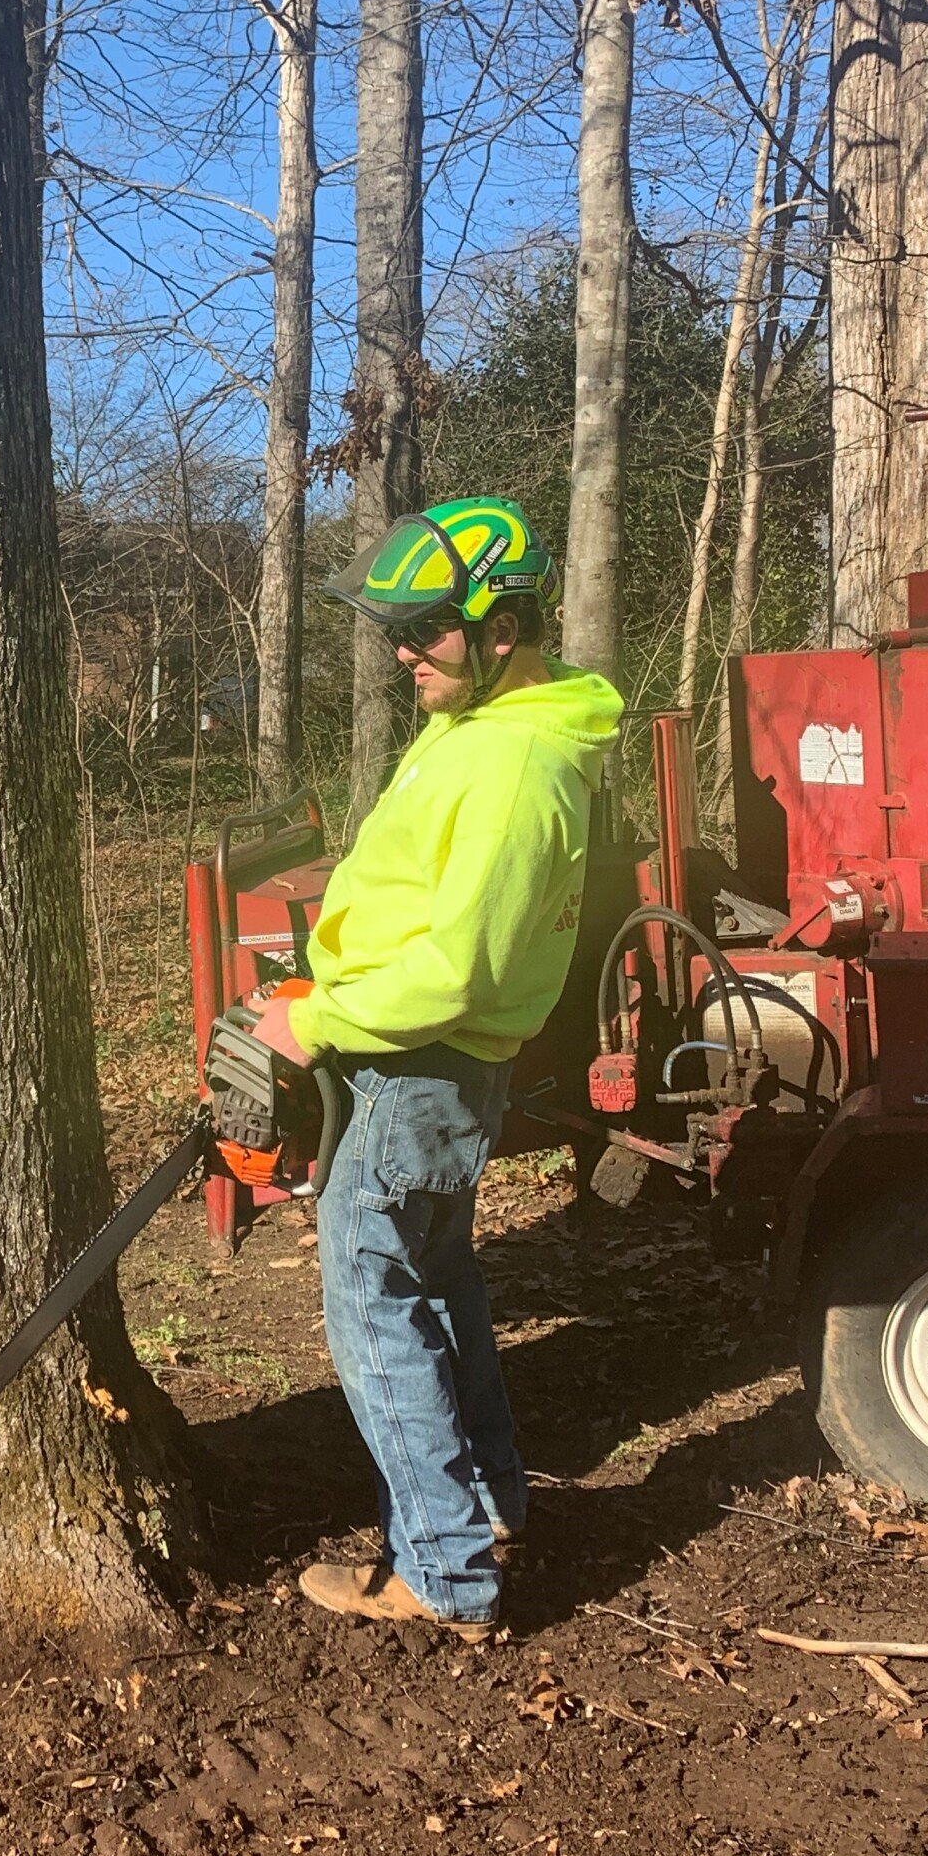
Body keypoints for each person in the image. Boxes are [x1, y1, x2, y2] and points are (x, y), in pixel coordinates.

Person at [251, 497, 623, 1638]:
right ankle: (491, 1505)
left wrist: (315, 1026)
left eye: (427, 630)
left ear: (501, 627)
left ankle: (445, 1573)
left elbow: (458, 968)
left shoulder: (516, 766)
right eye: (397, 630)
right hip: (407, 1055)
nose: (405, 652)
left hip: (422, 1062)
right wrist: (329, 990)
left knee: (372, 1298)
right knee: (438, 1283)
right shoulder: (475, 732)